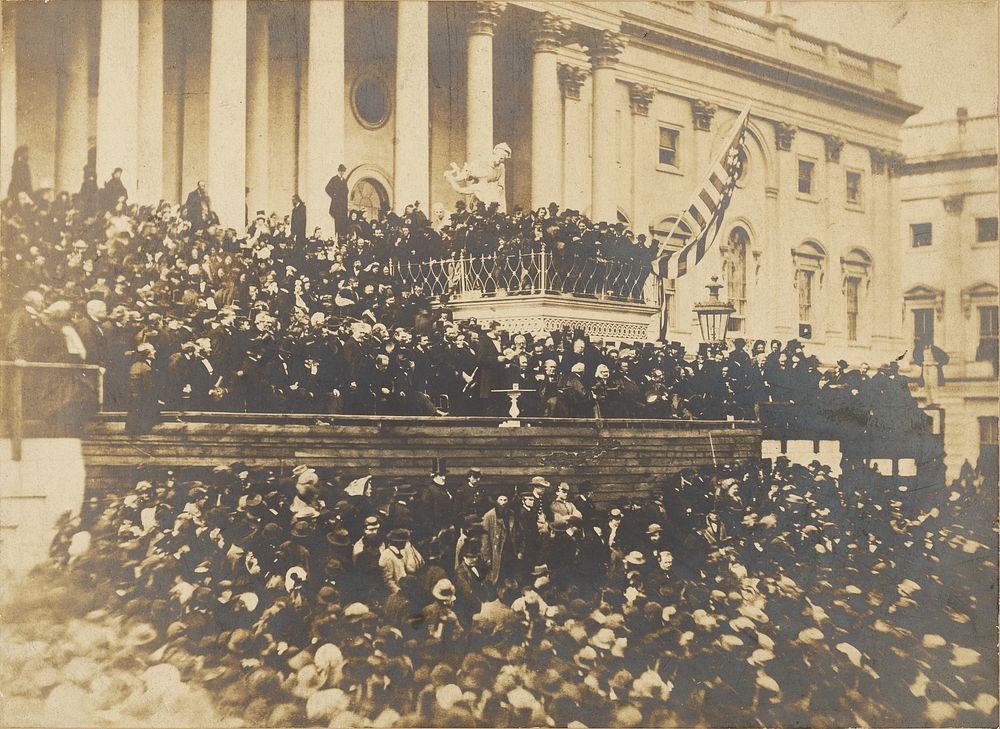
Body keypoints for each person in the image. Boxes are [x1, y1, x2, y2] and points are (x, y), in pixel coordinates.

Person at [126, 343, 160, 437]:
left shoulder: (135, 365)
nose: (154, 351)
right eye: (153, 350)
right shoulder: (145, 368)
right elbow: (149, 389)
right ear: (147, 353)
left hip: (135, 405)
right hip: (143, 408)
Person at [325, 164, 349, 237]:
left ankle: (342, 237)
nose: (342, 173)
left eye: (343, 171)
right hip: (336, 205)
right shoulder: (334, 179)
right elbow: (327, 188)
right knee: (337, 222)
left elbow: (346, 191)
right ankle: (337, 237)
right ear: (338, 171)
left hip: (343, 206)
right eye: (341, 171)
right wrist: (334, 195)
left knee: (343, 223)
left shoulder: (344, 181)